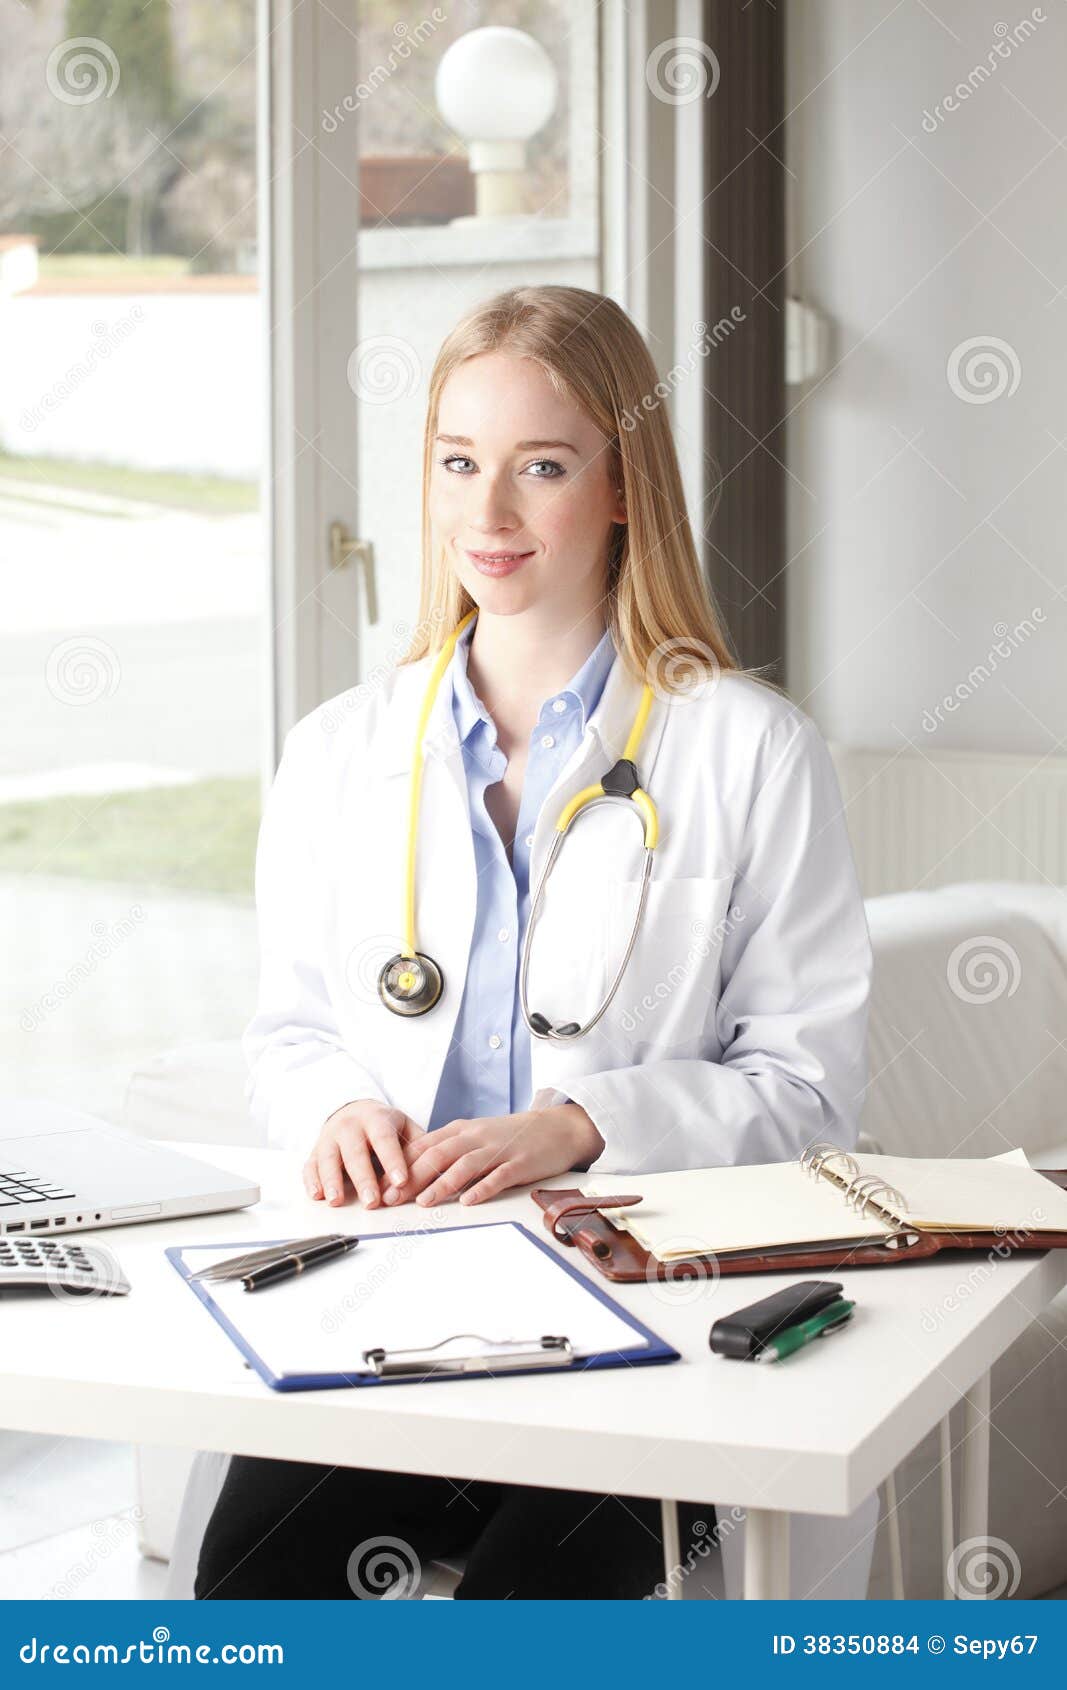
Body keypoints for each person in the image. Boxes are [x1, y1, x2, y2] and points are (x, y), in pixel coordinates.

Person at [193, 285, 877, 1600]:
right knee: (249, 1590)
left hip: (639, 1313)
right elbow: (291, 1031)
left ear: (624, 488)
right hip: (389, 1300)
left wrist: (580, 1125)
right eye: (460, 463)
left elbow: (807, 1094)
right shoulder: (344, 749)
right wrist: (337, 1105)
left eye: (541, 467)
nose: (487, 515)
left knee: (522, 1616)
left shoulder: (747, 748)